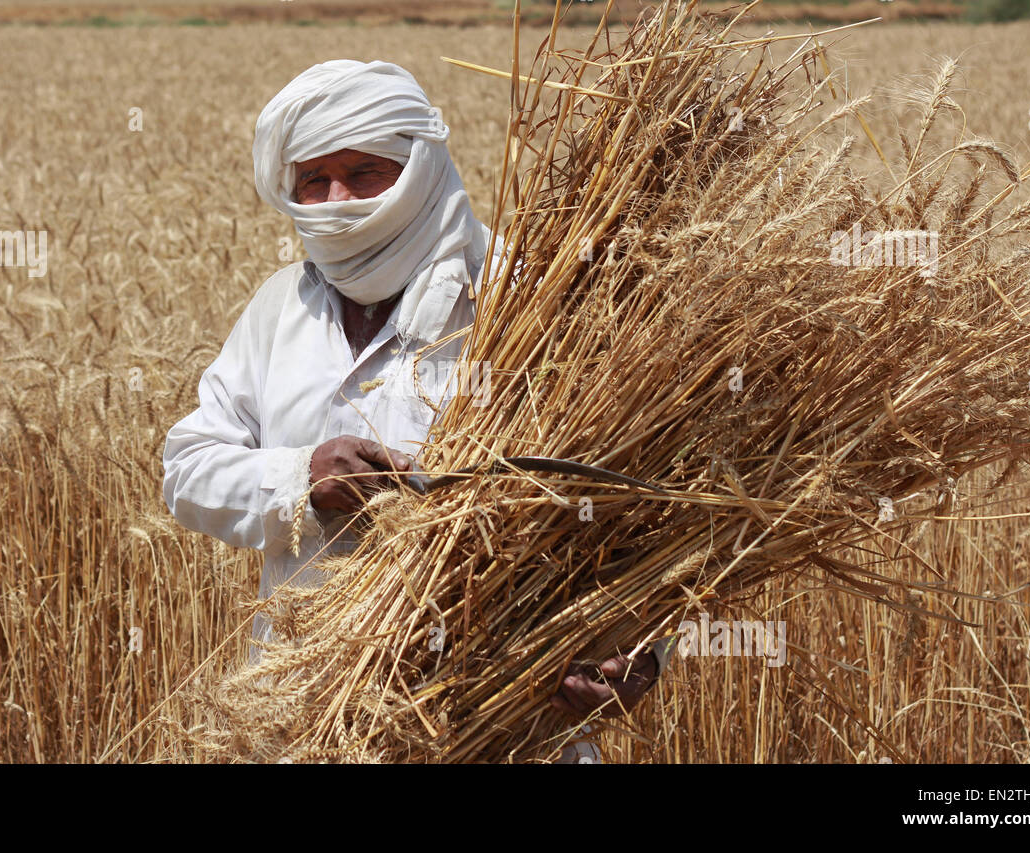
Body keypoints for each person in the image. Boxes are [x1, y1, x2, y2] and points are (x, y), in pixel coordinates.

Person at [161, 59, 660, 762]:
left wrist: (637, 652)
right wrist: (298, 477)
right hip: (307, 722)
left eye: (365, 172)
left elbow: (638, 499)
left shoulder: (528, 305)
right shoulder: (282, 308)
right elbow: (186, 469)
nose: (337, 199)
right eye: (314, 180)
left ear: (419, 167)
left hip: (500, 728)